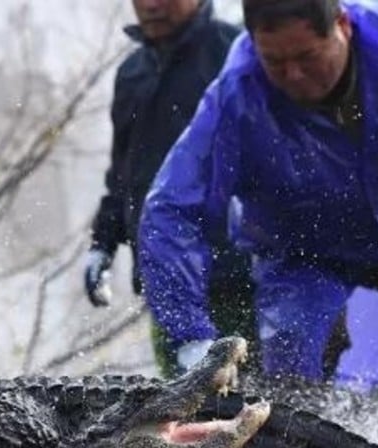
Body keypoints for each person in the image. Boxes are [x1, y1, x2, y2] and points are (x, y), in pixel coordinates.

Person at [138, 0, 378, 419]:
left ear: (342, 25)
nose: (293, 75)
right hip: (297, 250)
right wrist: (190, 336)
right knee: (293, 384)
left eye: (307, 57)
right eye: (275, 61)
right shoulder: (235, 96)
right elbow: (170, 210)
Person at [83, 0, 257, 377]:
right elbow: (124, 174)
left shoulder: (236, 55)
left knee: (263, 411)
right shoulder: (132, 74)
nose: (151, 5)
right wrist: (102, 244)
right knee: (183, 416)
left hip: (240, 281)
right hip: (165, 286)